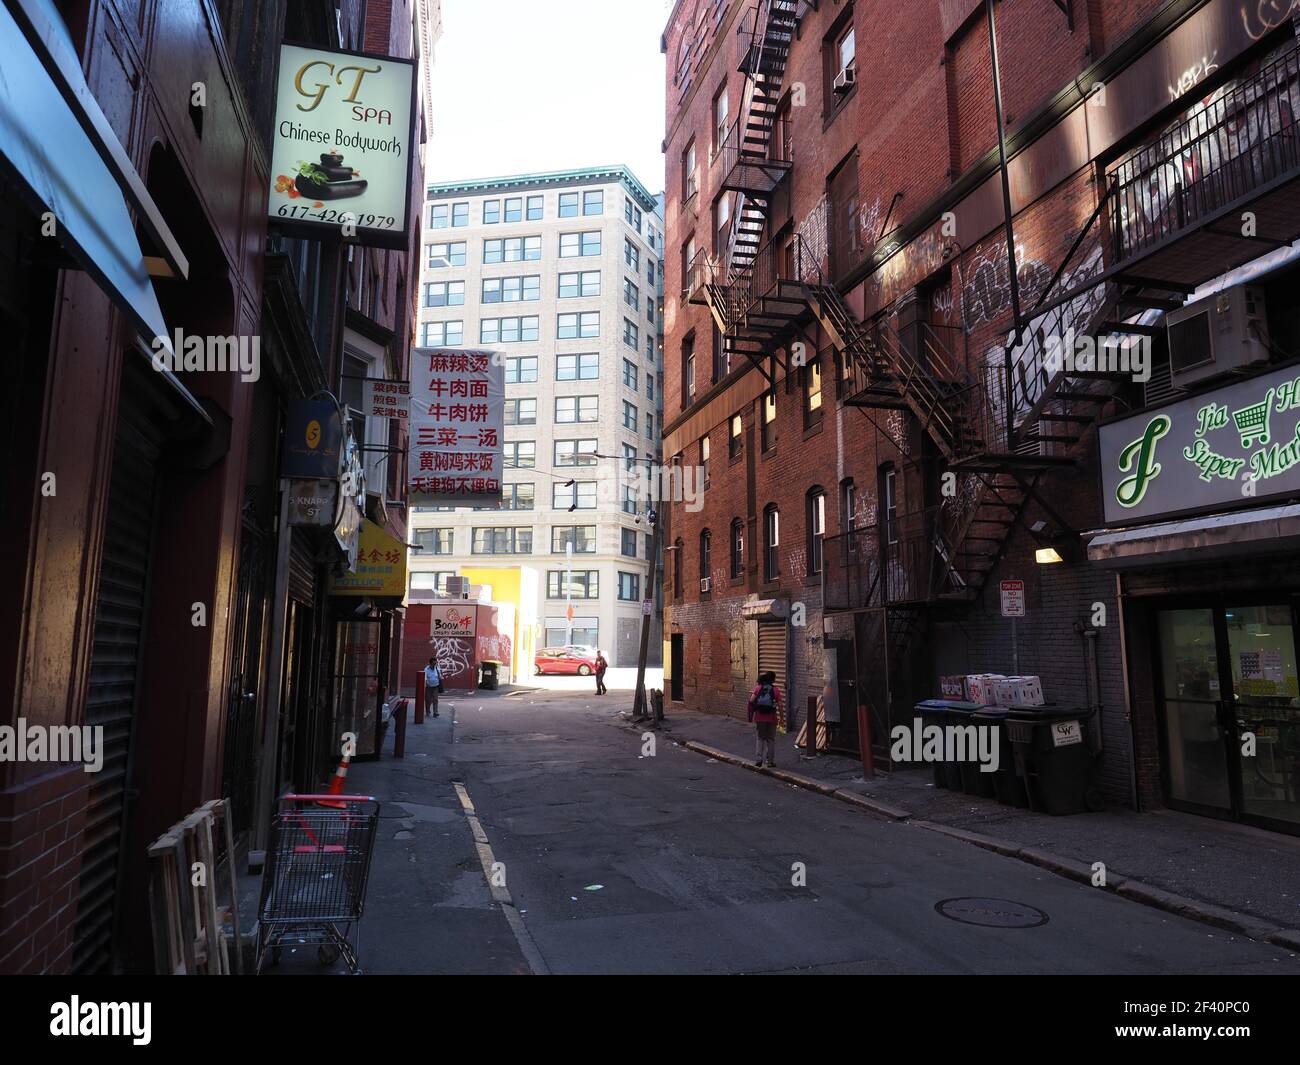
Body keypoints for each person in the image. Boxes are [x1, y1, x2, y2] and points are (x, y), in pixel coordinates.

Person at [747, 671, 782, 768]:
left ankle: (759, 760)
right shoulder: (776, 690)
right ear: (773, 680)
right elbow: (780, 705)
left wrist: (753, 712)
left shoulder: (758, 688)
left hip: (760, 717)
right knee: (770, 739)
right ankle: (770, 761)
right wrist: (782, 719)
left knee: (760, 738)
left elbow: (751, 701)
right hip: (772, 718)